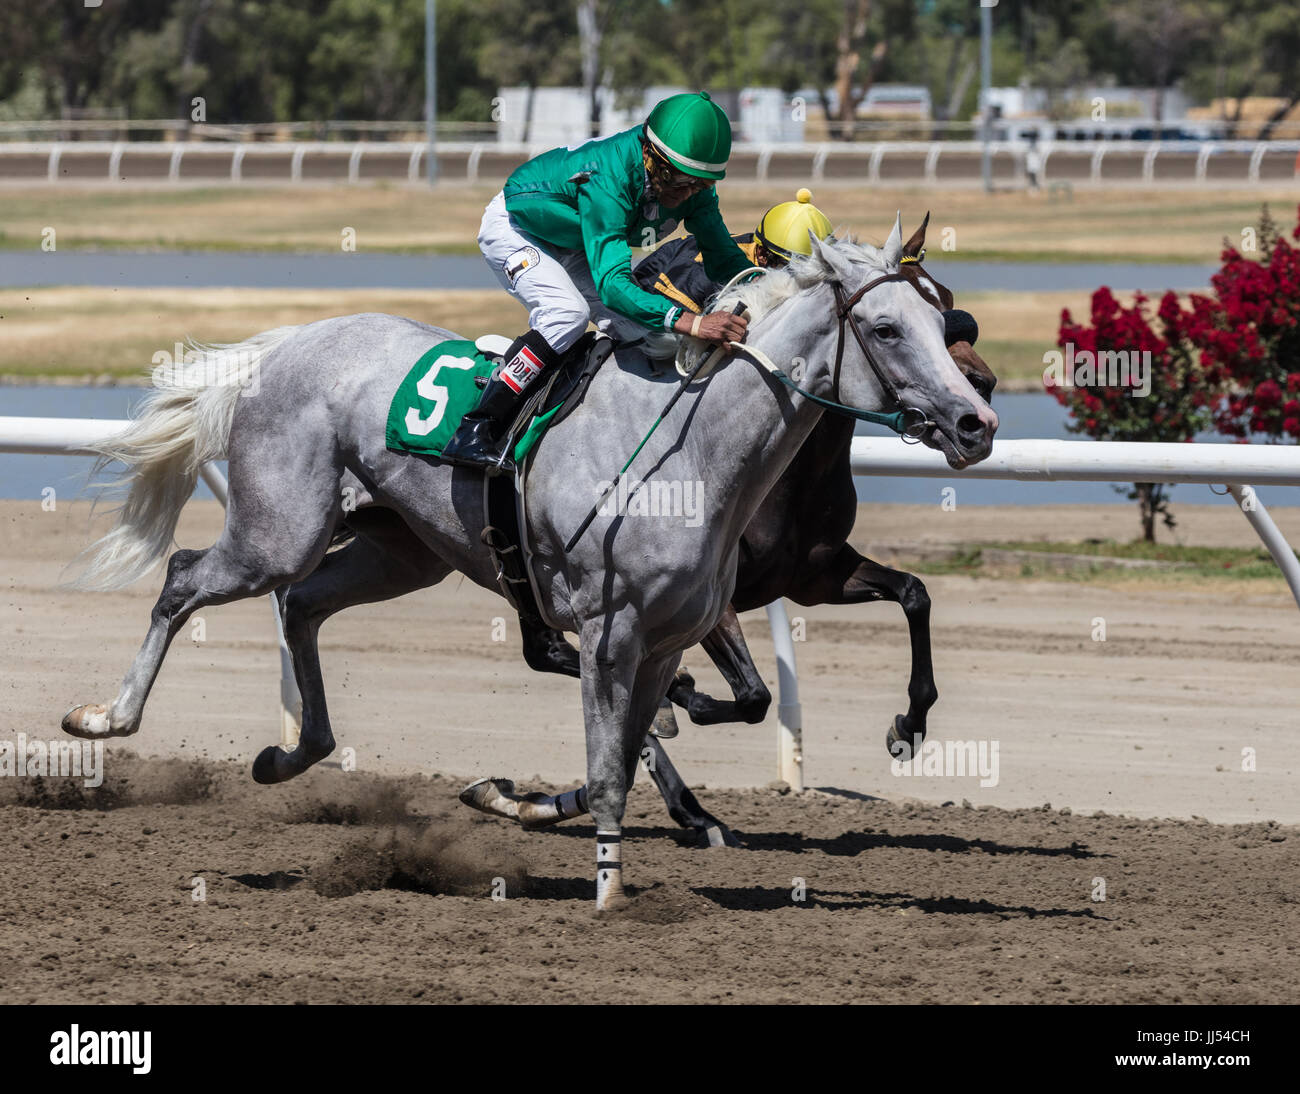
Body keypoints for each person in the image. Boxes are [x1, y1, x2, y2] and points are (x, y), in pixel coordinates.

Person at [440, 91, 753, 473]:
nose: (686, 194)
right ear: (651, 155)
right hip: (519, 227)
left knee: (649, 336)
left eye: (700, 184)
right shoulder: (610, 178)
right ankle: (477, 427)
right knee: (567, 314)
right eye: (679, 179)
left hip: (577, 237)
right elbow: (613, 285)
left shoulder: (694, 189)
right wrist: (696, 322)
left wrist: (768, 287)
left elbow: (724, 258)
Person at [632, 187, 833, 320]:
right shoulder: (704, 273)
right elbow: (668, 334)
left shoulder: (764, 255)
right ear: (762, 254)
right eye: (792, 270)